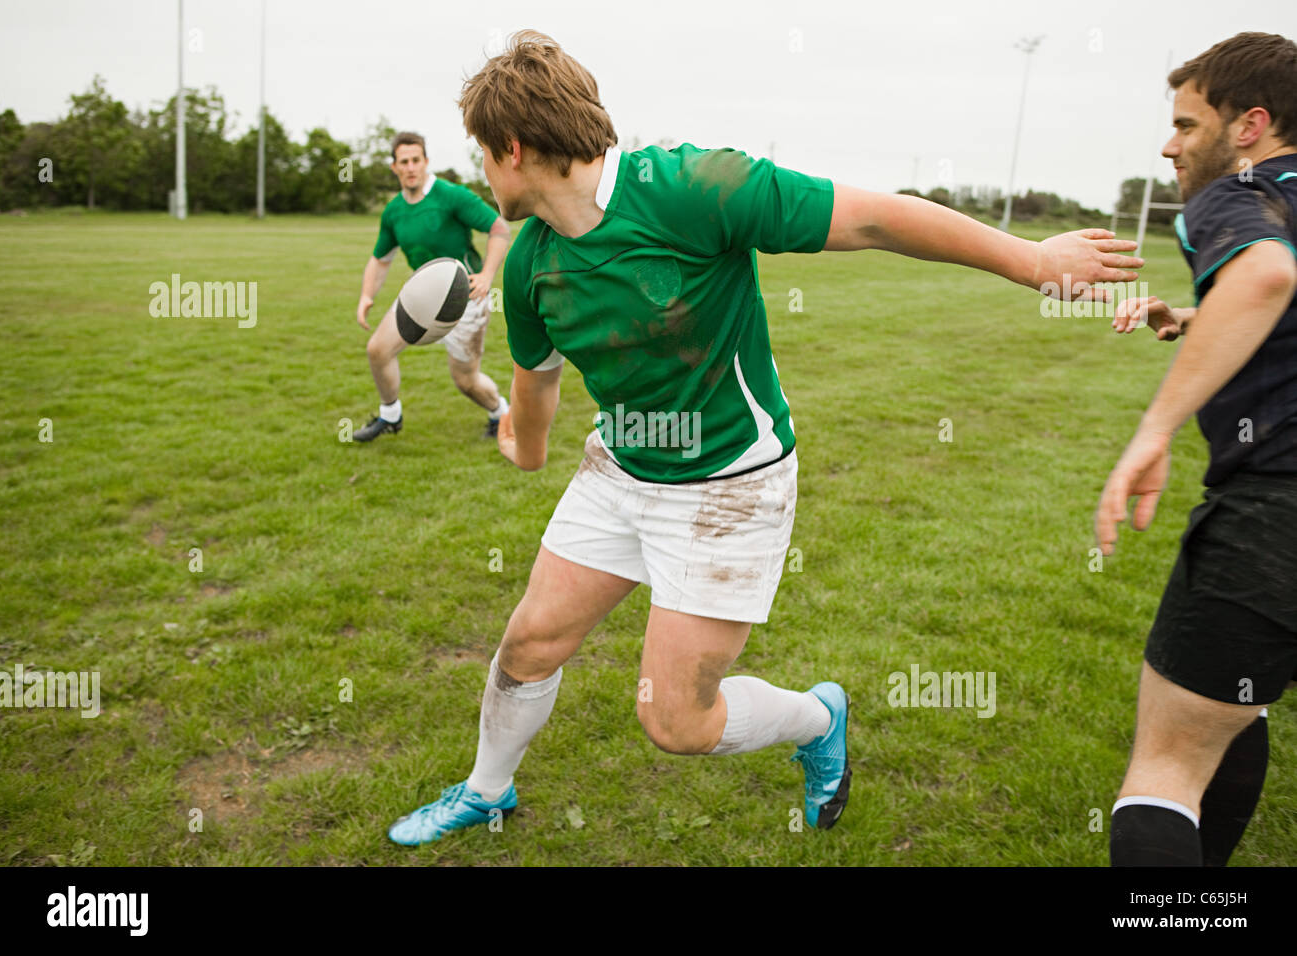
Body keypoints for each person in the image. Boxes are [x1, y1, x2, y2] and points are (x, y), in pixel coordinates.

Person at [389, 30, 1142, 846]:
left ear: (512, 146)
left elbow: (875, 221)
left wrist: (1032, 260)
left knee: (676, 721)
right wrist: (518, 441)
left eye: (480, 152)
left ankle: (819, 718)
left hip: (729, 488)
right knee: (530, 643)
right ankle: (487, 789)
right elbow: (535, 395)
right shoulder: (535, 262)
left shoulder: (695, 186)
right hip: (619, 471)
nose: (479, 170)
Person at [1100, 31, 1297, 866]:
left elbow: (1265, 277)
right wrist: (1189, 319)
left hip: (1276, 509)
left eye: (1186, 124)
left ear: (1249, 125)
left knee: (1169, 768)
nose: (1169, 144)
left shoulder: (1228, 195)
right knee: (1235, 701)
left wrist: (1155, 429)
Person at [352, 132, 513, 441]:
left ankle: (500, 412)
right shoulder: (394, 211)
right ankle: (390, 416)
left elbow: (498, 228)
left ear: (426, 162)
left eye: (416, 160)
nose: (411, 167)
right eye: (404, 162)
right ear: (394, 167)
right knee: (378, 350)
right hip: (423, 297)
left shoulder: (452, 196)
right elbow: (380, 259)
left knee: (465, 381)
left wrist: (487, 275)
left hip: (467, 299)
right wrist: (366, 295)